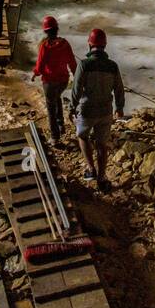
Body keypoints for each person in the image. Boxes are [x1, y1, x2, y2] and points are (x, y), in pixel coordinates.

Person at [69, 28, 124, 189]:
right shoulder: (113, 66)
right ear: (104, 45)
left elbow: (76, 88)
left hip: (87, 110)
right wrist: (119, 107)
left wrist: (72, 107)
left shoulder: (84, 64)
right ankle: (101, 178)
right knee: (102, 144)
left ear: (89, 44)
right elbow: (119, 88)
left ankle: (90, 168)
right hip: (106, 110)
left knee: (82, 136)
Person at [32, 16, 77, 144]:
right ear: (57, 29)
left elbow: (40, 67)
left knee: (50, 107)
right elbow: (72, 63)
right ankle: (61, 124)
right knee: (57, 97)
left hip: (49, 82)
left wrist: (35, 73)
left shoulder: (44, 46)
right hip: (63, 81)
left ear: (45, 31)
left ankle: (55, 137)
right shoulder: (65, 43)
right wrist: (77, 77)